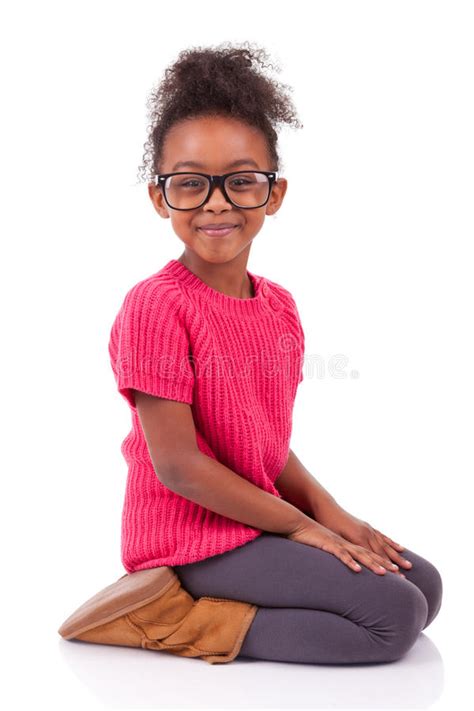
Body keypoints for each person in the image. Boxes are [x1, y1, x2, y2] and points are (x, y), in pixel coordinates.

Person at [108, 41, 442, 665]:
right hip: (189, 538)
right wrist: (300, 528)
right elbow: (178, 466)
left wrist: (330, 511)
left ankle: (263, 588)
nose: (216, 202)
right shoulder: (155, 306)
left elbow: (259, 440)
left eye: (240, 181)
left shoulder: (279, 305)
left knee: (422, 585)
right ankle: (160, 614)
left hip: (253, 517)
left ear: (274, 192)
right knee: (392, 617)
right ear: (160, 198)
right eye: (189, 184)